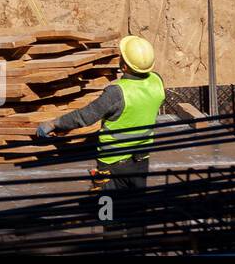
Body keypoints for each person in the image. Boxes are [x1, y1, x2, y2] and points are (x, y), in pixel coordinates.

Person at [36, 35, 164, 212]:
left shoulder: (117, 93)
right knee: (136, 211)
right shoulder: (157, 82)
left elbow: (85, 116)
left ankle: (109, 237)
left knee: (108, 213)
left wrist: (54, 124)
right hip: (141, 160)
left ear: (124, 66)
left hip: (112, 165)